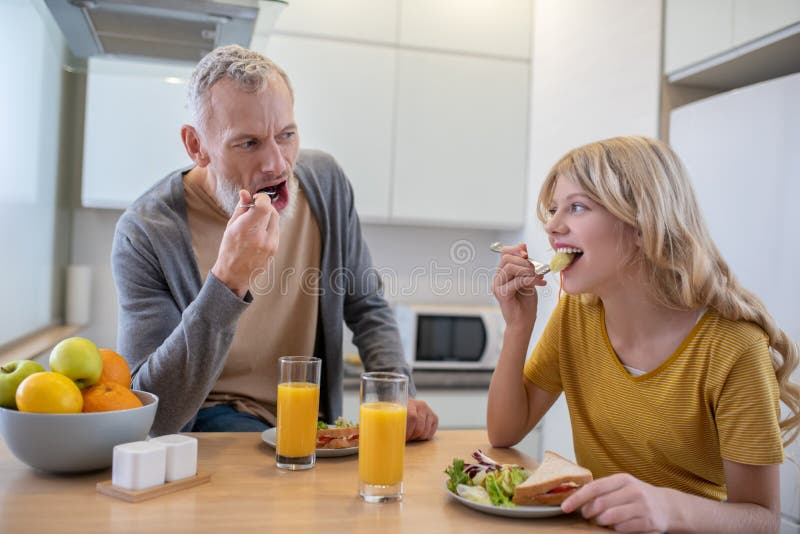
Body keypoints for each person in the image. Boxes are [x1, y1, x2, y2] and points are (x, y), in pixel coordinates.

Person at [111, 45, 438, 440]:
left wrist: (395, 392)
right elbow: (153, 413)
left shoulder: (325, 184)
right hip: (214, 429)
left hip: (309, 424)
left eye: (286, 135)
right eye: (248, 143)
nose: (277, 164)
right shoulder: (145, 232)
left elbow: (366, 305)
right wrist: (227, 281)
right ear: (196, 145)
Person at [488, 136, 799, 533]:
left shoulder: (733, 347)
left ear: (641, 225)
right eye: (552, 210)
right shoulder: (576, 315)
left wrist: (667, 508)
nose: (551, 227)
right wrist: (518, 326)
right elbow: (504, 432)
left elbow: (762, 520)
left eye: (577, 207)